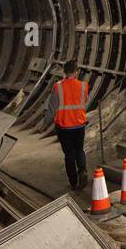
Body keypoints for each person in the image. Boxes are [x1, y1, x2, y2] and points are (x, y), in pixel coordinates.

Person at [49, 59, 89, 190]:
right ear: (76, 72)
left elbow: (52, 107)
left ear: (64, 72)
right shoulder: (84, 86)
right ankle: (82, 170)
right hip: (79, 125)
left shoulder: (57, 86)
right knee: (79, 149)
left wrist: (46, 123)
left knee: (69, 154)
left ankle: (73, 182)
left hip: (63, 127)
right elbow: (83, 101)